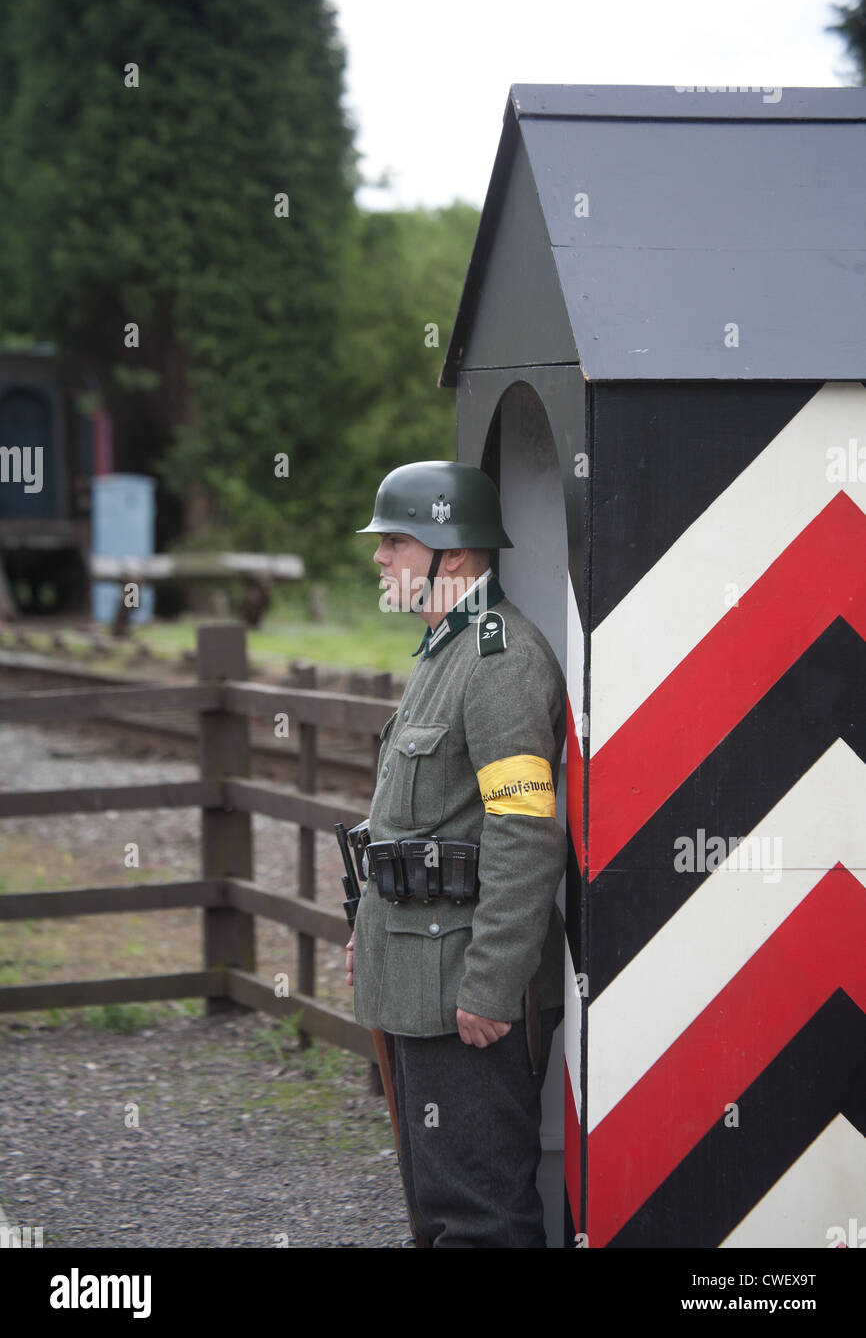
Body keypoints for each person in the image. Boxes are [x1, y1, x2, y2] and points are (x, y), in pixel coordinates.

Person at [346, 460, 567, 1248]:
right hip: (418, 979)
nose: (380, 559)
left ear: (457, 554)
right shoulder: (446, 649)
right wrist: (365, 936)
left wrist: (493, 982)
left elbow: (524, 830)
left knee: (480, 1219)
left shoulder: (500, 662)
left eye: (397, 543)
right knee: (438, 1210)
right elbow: (415, 823)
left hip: (463, 991)